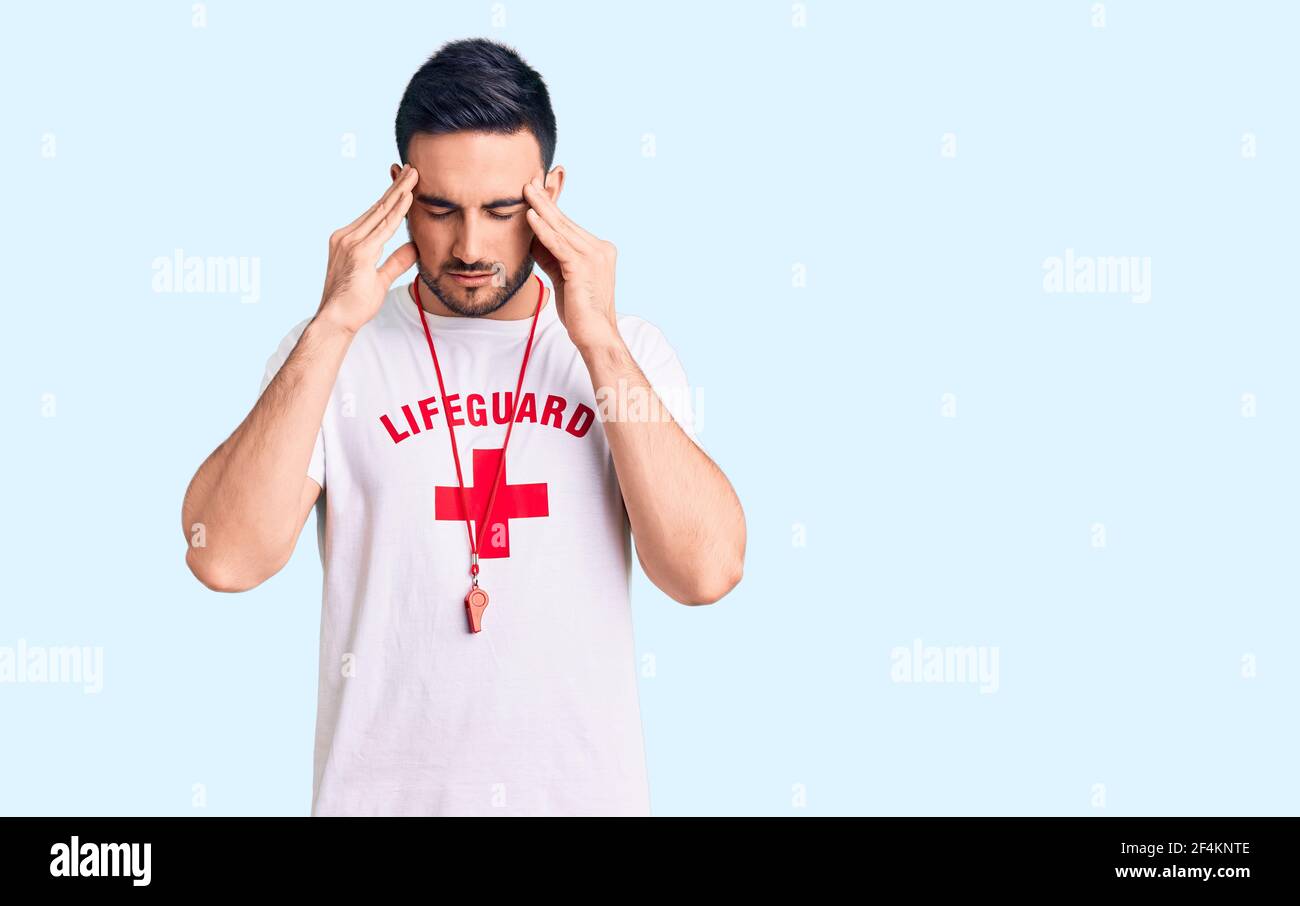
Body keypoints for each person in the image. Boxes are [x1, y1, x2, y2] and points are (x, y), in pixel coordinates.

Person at [180, 37, 745, 816]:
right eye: (440, 208)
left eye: (503, 210)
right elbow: (225, 558)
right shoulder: (337, 353)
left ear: (551, 193)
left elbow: (705, 572)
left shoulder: (628, 353)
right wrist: (329, 330)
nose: (471, 246)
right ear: (399, 192)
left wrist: (598, 339)